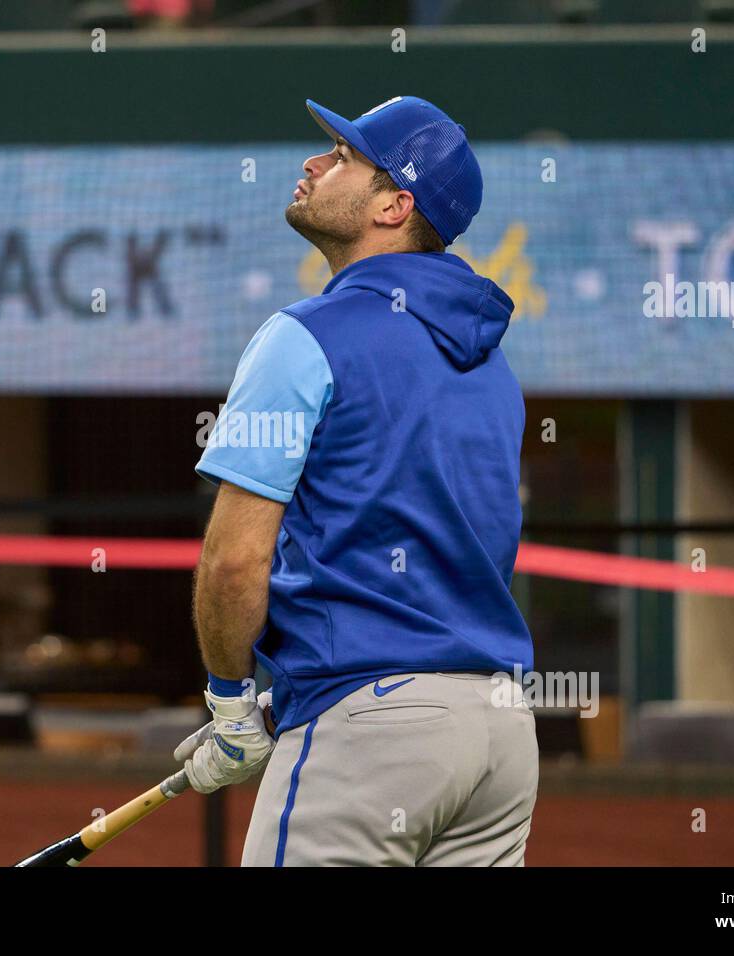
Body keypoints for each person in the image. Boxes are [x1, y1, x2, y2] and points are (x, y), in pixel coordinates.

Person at [175, 96, 537, 866]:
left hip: (370, 731)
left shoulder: (303, 336)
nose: (314, 163)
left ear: (394, 205)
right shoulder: (493, 366)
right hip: (501, 733)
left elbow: (235, 560)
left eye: (343, 157)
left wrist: (232, 703)